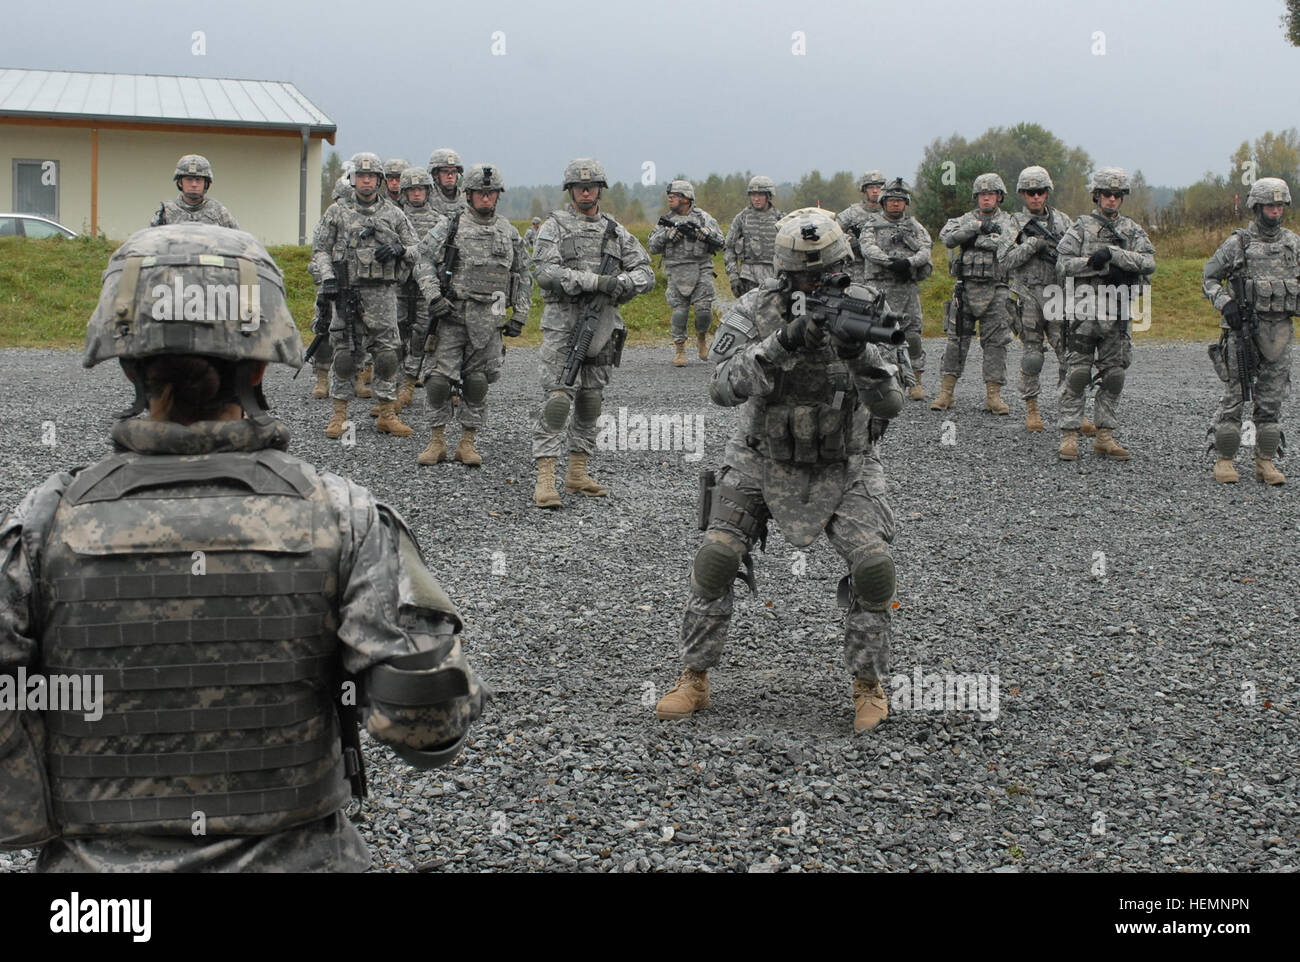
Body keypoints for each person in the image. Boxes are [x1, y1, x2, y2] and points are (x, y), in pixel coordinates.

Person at [0, 224, 485, 872]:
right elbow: (428, 727)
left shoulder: (41, 523)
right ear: (260, 364)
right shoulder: (342, 515)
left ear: (128, 363)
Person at [653, 208, 904, 733]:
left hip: (845, 458)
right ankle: (694, 676)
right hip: (761, 453)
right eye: (804, 278)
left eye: (827, 275)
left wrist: (859, 356)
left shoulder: (865, 311)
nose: (816, 286)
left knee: (875, 568)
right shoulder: (755, 307)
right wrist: (784, 340)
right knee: (716, 558)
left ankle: (868, 683)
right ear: (784, 274)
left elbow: (889, 404)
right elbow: (721, 387)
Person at [529, 158, 654, 508]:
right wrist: (595, 281)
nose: (586, 191)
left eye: (592, 186)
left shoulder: (615, 231)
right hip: (563, 323)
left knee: (590, 400)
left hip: (601, 324)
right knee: (557, 400)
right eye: (579, 187)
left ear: (600, 189)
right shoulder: (553, 226)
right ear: (570, 190)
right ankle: (545, 479)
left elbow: (646, 272)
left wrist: (622, 284)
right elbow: (544, 272)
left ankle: (577, 472)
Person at [413, 163, 531, 467]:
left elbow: (522, 274)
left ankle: (467, 443)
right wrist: (433, 296)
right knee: (438, 382)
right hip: (452, 316)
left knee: (477, 383)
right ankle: (436, 441)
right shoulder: (450, 226)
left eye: (491, 193)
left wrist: (520, 313)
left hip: (490, 320)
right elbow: (422, 260)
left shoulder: (509, 232)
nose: (486, 198)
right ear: (469, 195)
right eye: (480, 193)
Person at [311, 152, 421, 439]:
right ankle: (339, 416)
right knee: (345, 353)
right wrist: (328, 278)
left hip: (383, 294)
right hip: (347, 291)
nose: (366, 180)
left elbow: (417, 250)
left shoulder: (394, 214)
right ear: (353, 179)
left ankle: (386, 414)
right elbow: (320, 250)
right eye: (361, 175)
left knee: (386, 355)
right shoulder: (336, 212)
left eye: (371, 176)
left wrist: (400, 250)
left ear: (380, 180)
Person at [1055, 166, 1156, 461]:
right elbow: (1062, 264)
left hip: (1118, 312)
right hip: (1085, 311)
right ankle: (1069, 436)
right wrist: (1094, 263)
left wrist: (1115, 257)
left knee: (1114, 376)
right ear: (1097, 196)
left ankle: (1105, 436)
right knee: (1077, 374)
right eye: (1107, 195)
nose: (1112, 200)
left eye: (1117, 195)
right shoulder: (1081, 228)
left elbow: (1149, 262)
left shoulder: (1132, 230)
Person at [1202, 176, 1297, 484]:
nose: (1275, 210)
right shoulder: (1239, 242)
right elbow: (1209, 277)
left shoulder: (1292, 243)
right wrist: (1225, 303)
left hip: (1279, 331)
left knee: (1270, 401)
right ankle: (1224, 460)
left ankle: (1265, 462)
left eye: (1280, 205)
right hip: (1241, 332)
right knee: (1234, 396)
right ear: (1257, 206)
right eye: (1270, 205)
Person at [997, 166, 1078, 432]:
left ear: (1047, 193)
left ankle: (1072, 410)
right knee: (1033, 356)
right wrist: (1033, 245)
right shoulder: (1013, 224)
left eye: (1040, 192)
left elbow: (1075, 257)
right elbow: (1005, 260)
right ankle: (1032, 409)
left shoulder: (1064, 222)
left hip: (1057, 294)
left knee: (1069, 354)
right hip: (1027, 294)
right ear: (1022, 194)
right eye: (1030, 192)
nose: (1036, 197)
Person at [934, 173, 1017, 414]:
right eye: (982, 194)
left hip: (997, 289)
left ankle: (994, 396)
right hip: (965, 288)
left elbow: (1007, 244)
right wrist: (977, 227)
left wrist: (976, 239)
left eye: (991, 194)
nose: (986, 198)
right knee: (955, 342)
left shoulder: (1011, 221)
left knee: (996, 344)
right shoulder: (964, 219)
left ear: (999, 196)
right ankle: (946, 393)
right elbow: (948, 238)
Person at [860, 178, 932, 401]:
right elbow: (867, 248)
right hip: (879, 288)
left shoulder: (914, 226)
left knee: (913, 335)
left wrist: (910, 263)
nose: (895, 204)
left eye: (900, 200)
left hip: (907, 288)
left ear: (906, 203)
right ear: (883, 202)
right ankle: (883, 382)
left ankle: (915, 382)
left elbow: (926, 248)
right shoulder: (871, 224)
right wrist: (890, 262)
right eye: (891, 200)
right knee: (879, 335)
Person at [648, 180, 725, 365]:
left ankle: (701, 339)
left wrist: (706, 235)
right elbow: (652, 246)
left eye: (674, 196)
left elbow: (721, 242)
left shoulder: (704, 218)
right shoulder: (666, 220)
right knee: (679, 313)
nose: (670, 199)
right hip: (676, 271)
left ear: (686, 198)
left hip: (701, 269)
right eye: (670, 196)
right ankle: (680, 349)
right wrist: (667, 236)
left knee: (704, 311)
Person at [396, 166, 446, 410]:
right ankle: (391, 387)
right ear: (404, 192)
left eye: (421, 189)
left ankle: (409, 382)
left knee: (422, 335)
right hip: (398, 286)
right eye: (412, 189)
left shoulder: (440, 222)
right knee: (394, 336)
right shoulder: (393, 217)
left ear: (428, 191)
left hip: (427, 288)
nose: (416, 194)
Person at [724, 175, 783, 297]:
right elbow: (729, 248)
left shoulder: (781, 220)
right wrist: (733, 276)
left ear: (769, 196)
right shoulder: (742, 218)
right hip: (747, 277)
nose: (756, 199)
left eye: (760, 195)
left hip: (774, 277)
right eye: (753, 195)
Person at [150, 154, 239, 228]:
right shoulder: (165, 212)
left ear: (206, 183)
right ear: (180, 183)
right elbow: (151, 243)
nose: (194, 184)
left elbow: (237, 242)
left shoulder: (219, 212)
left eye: (198, 179)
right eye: (189, 179)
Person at [836, 170, 887, 283]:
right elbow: (833, 232)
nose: (875, 191)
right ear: (864, 190)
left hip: (883, 273)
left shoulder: (889, 214)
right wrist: (849, 241)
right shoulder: (851, 213)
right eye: (871, 187)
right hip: (856, 272)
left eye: (879, 187)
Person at [427, 148, 467, 219]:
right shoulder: (426, 199)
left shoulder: (468, 199)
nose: (450, 176)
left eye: (454, 172)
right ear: (435, 175)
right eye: (445, 172)